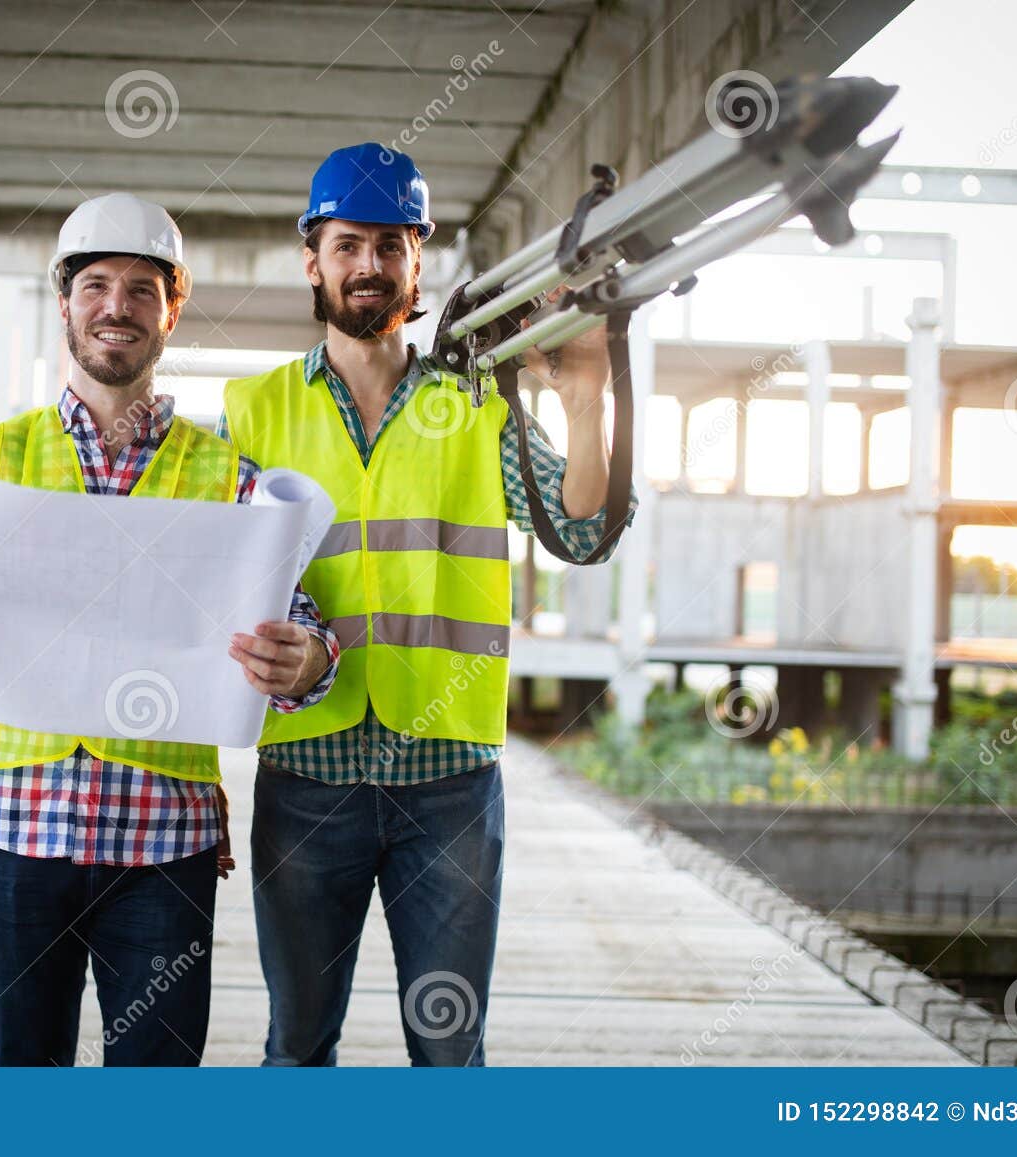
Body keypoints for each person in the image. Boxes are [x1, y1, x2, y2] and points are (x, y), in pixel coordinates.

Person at [0, 193, 338, 1067]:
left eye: (140, 289)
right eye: (96, 285)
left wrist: (305, 659)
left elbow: (305, 641)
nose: (116, 306)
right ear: (65, 303)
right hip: (19, 831)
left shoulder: (229, 480)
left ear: (172, 308)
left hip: (164, 844)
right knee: (27, 1073)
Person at [218, 143, 639, 1066]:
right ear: (313, 259)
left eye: (389, 246)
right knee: (296, 1045)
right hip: (307, 774)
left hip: (447, 779)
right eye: (347, 244)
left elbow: (575, 533)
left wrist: (586, 399)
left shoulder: (477, 405)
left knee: (450, 1053)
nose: (368, 265)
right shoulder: (249, 416)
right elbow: (197, 583)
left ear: (418, 260)